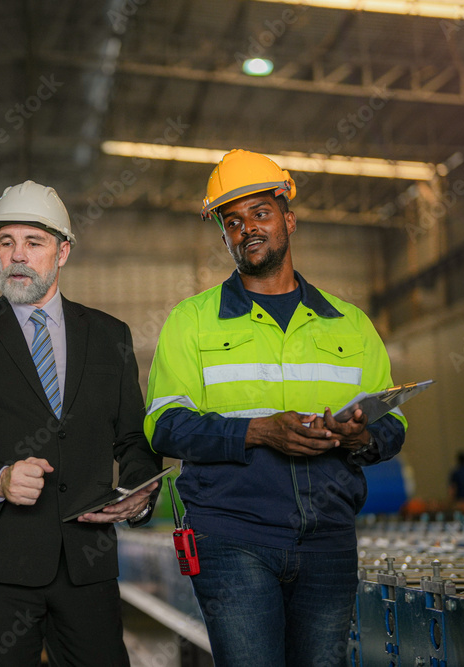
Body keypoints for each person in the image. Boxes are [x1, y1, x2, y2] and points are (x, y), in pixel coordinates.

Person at [144, 150, 407, 667]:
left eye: (260, 213)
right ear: (224, 236)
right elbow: (165, 426)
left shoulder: (349, 323)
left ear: (289, 219)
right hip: (230, 536)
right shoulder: (192, 322)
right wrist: (259, 432)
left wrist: (360, 436)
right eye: (232, 222)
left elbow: (392, 422)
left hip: (328, 538)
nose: (247, 229)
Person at [0, 180, 163, 666]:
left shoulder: (110, 336)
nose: (18, 256)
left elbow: (133, 438)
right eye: (6, 242)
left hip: (86, 566)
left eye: (34, 242)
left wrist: (138, 491)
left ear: (62, 252)